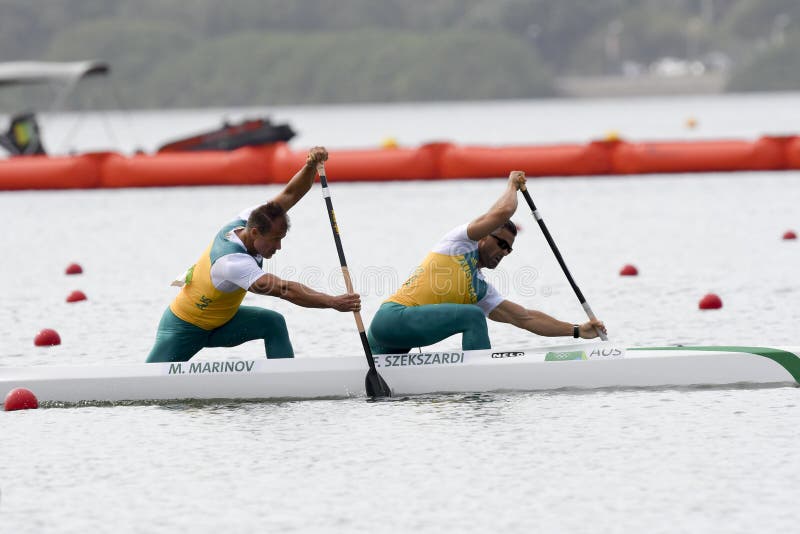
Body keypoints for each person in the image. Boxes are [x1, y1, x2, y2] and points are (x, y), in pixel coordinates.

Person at [147, 146, 360, 363]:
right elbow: (285, 290)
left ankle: (284, 383)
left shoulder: (254, 217)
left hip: (223, 323)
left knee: (272, 323)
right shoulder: (232, 262)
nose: (278, 247)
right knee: (145, 389)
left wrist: (310, 166)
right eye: (275, 240)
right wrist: (332, 302)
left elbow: (290, 194)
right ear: (255, 233)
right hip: (184, 327)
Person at [367, 170, 606, 354]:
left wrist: (576, 330)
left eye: (509, 249)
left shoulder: (479, 289)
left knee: (474, 312)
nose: (504, 251)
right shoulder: (459, 243)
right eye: (500, 243)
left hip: (387, 340)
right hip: (391, 319)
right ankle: (480, 389)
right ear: (483, 237)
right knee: (472, 316)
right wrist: (512, 185)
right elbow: (501, 213)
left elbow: (524, 318)